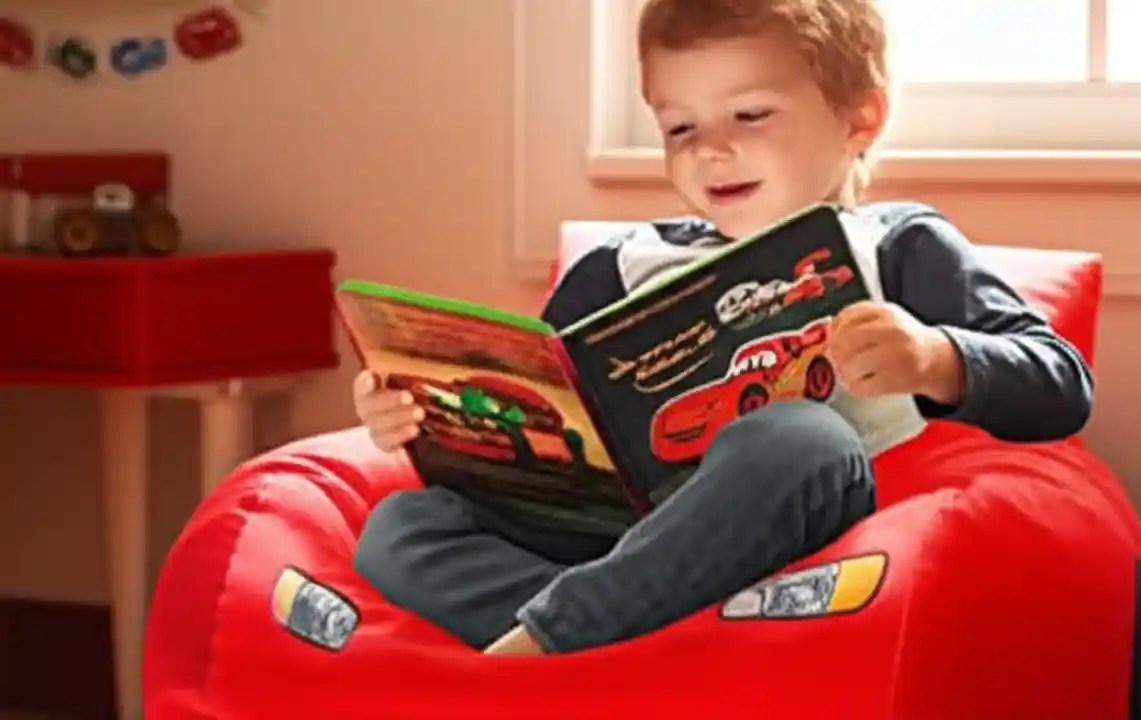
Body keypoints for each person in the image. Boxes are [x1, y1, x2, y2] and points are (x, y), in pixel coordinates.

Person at [352, 0, 1094, 656]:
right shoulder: (621, 266)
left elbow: (1061, 382)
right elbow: (547, 404)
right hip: (615, 530)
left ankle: (552, 641)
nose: (710, 148)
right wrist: (421, 414)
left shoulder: (897, 243)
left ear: (859, 119)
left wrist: (935, 358)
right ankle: (624, 642)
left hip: (785, 518)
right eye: (680, 126)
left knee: (800, 436)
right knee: (404, 526)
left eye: (750, 115)